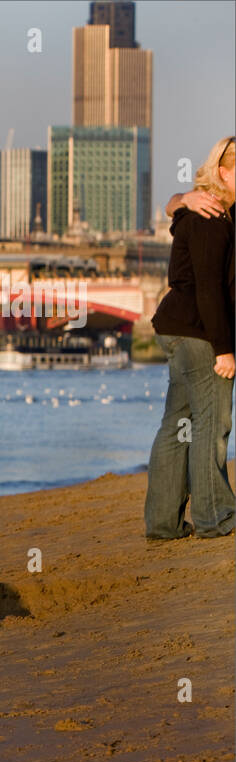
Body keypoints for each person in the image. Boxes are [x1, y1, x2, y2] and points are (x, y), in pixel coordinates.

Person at [145, 135, 235, 539]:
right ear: (223, 172)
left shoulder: (207, 209)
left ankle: (163, 524)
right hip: (199, 333)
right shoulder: (211, 217)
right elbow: (209, 289)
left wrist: (180, 198)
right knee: (212, 425)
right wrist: (225, 349)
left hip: (177, 329)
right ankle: (216, 517)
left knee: (177, 424)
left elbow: (172, 207)